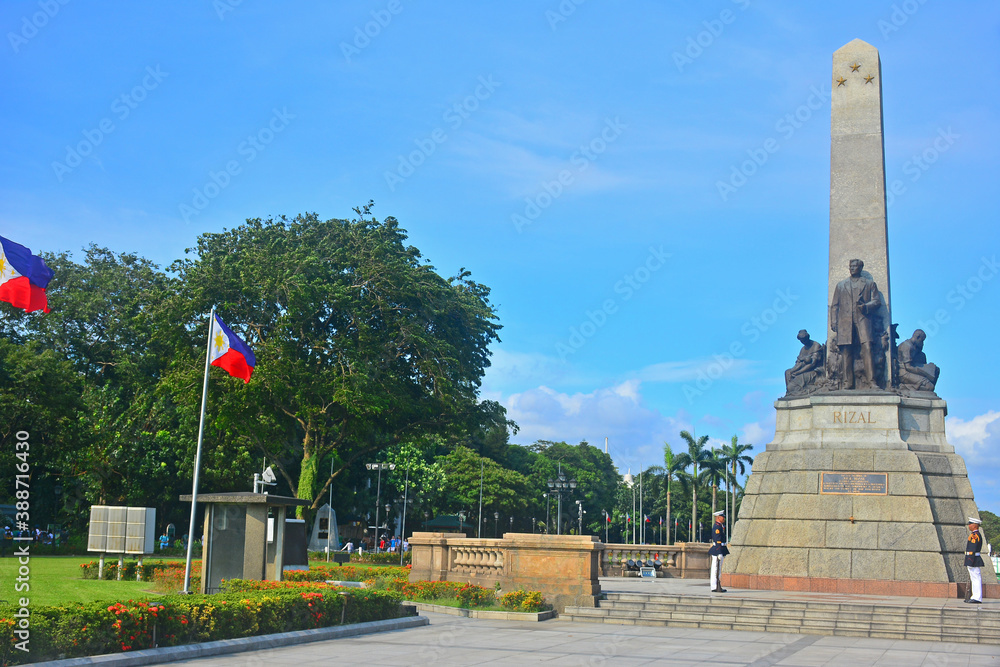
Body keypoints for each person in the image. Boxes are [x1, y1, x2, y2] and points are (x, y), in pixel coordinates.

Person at [830, 259, 882, 389]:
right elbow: (835, 305)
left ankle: (872, 381)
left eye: (855, 266)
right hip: (845, 322)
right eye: (851, 266)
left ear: (860, 268)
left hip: (863, 319)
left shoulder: (869, 284)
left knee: (868, 348)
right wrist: (834, 321)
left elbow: (876, 301)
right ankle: (847, 382)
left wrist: (865, 307)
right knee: (846, 351)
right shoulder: (841, 285)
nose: (852, 268)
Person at [784, 329, 825, 396]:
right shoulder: (803, 349)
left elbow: (812, 364)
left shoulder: (816, 345)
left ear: (808, 337)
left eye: (804, 340)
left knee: (792, 385)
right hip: (803, 369)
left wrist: (798, 372)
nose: (803, 342)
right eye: (801, 341)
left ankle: (794, 390)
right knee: (787, 372)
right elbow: (798, 363)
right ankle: (790, 393)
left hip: (814, 371)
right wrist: (792, 371)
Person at [708, 510, 729, 593]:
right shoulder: (717, 527)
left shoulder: (719, 526)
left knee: (718, 569)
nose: (723, 518)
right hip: (717, 550)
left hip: (720, 549)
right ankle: (715, 586)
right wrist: (719, 552)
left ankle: (716, 585)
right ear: (718, 517)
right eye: (722, 517)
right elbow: (717, 540)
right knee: (716, 569)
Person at [965, 517, 985, 604]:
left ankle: (977, 597)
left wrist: (970, 560)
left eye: (970, 524)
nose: (969, 525)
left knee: (976, 578)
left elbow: (972, 549)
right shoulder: (974, 534)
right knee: (974, 578)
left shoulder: (975, 535)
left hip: (973, 559)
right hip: (972, 558)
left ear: (974, 525)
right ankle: (974, 596)